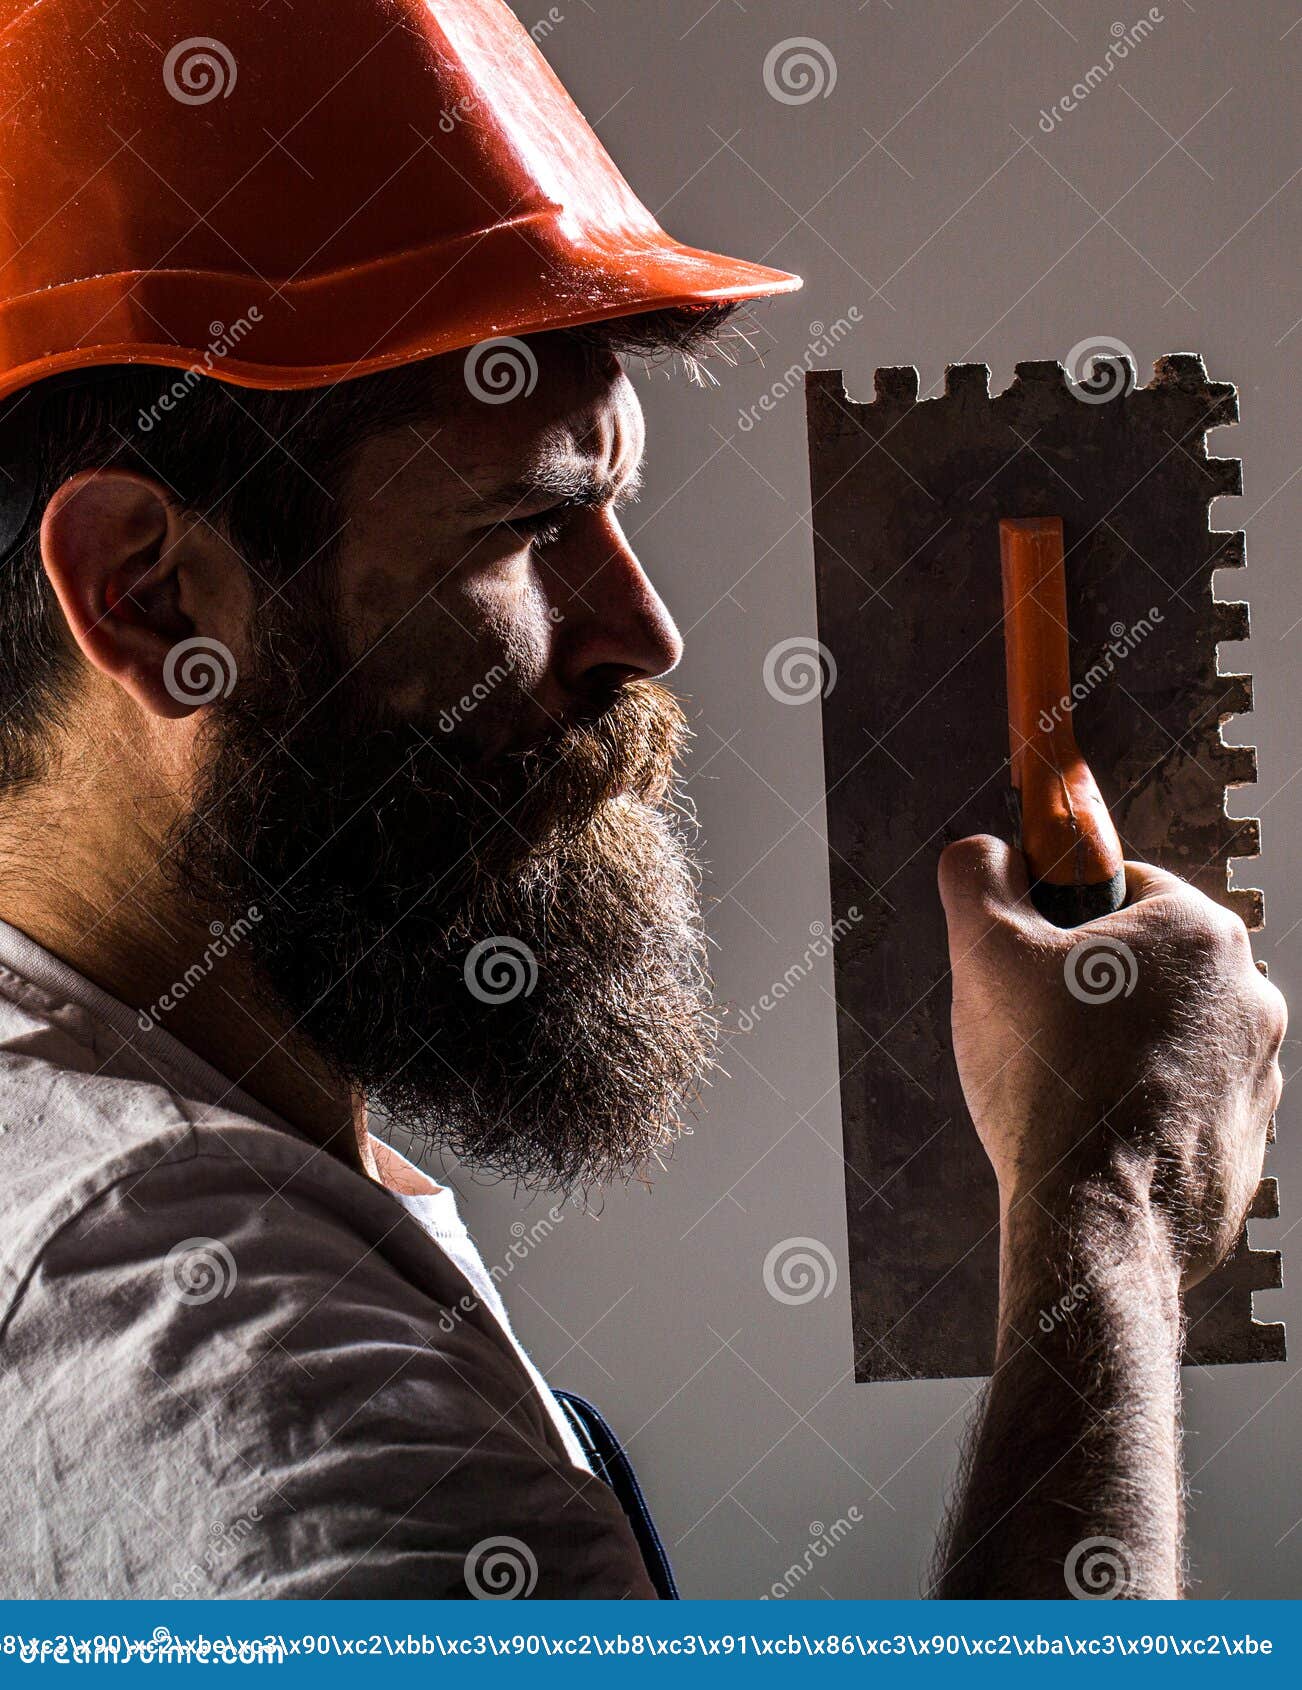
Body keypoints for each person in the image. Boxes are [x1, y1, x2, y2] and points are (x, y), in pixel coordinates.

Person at [0, 0, 1283, 1599]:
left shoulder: (119, 1111)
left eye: (613, 501)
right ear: (151, 596)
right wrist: (1108, 1214)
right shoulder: (251, 1366)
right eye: (528, 526)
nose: (645, 632)